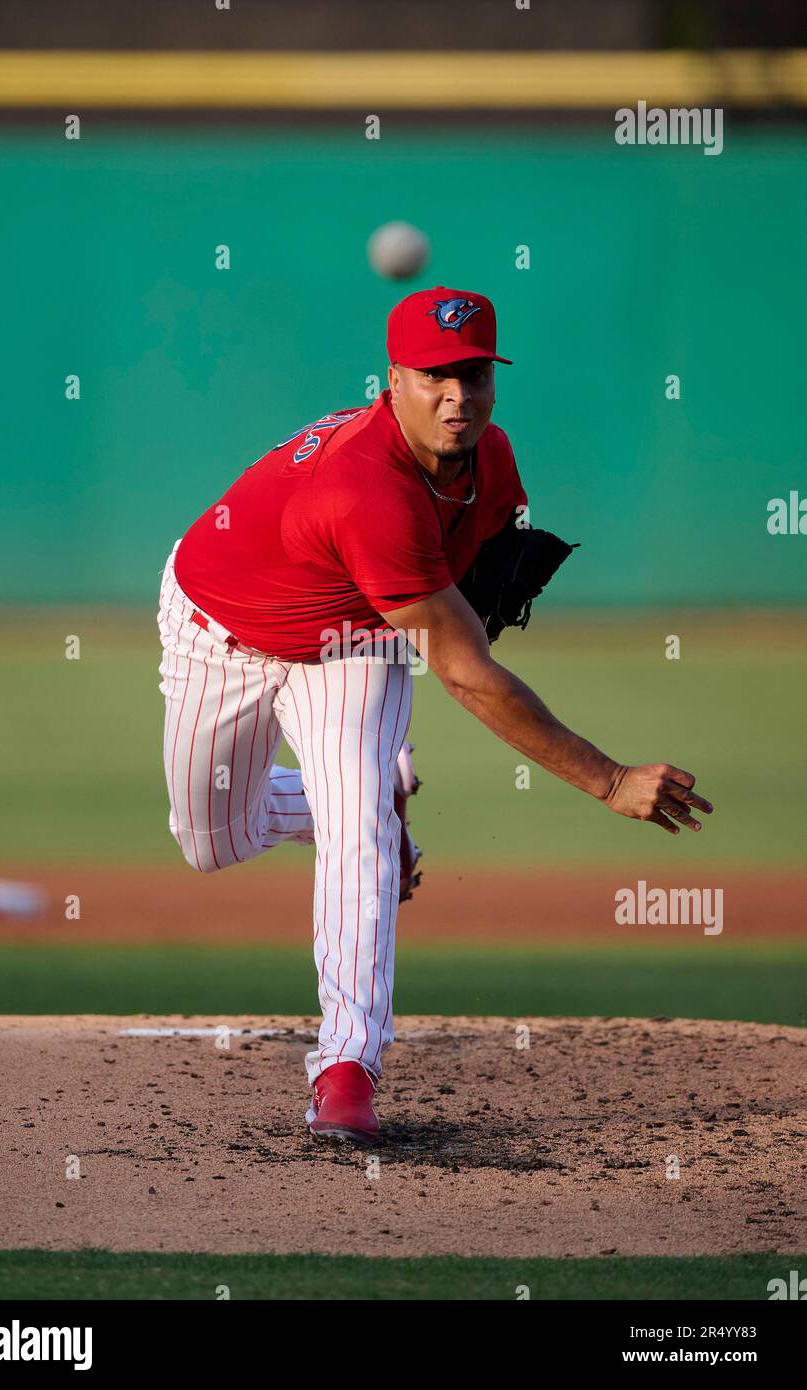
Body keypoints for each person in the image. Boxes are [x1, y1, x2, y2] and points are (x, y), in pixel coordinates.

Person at [157, 285, 713, 1144]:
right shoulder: (364, 491)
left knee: (359, 837)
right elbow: (466, 672)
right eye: (436, 375)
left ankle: (346, 1068)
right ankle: (374, 793)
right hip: (219, 628)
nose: (459, 395)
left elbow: (464, 594)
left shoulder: (493, 460)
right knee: (209, 843)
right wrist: (608, 780)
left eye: (475, 375)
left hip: (354, 646)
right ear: (393, 380)